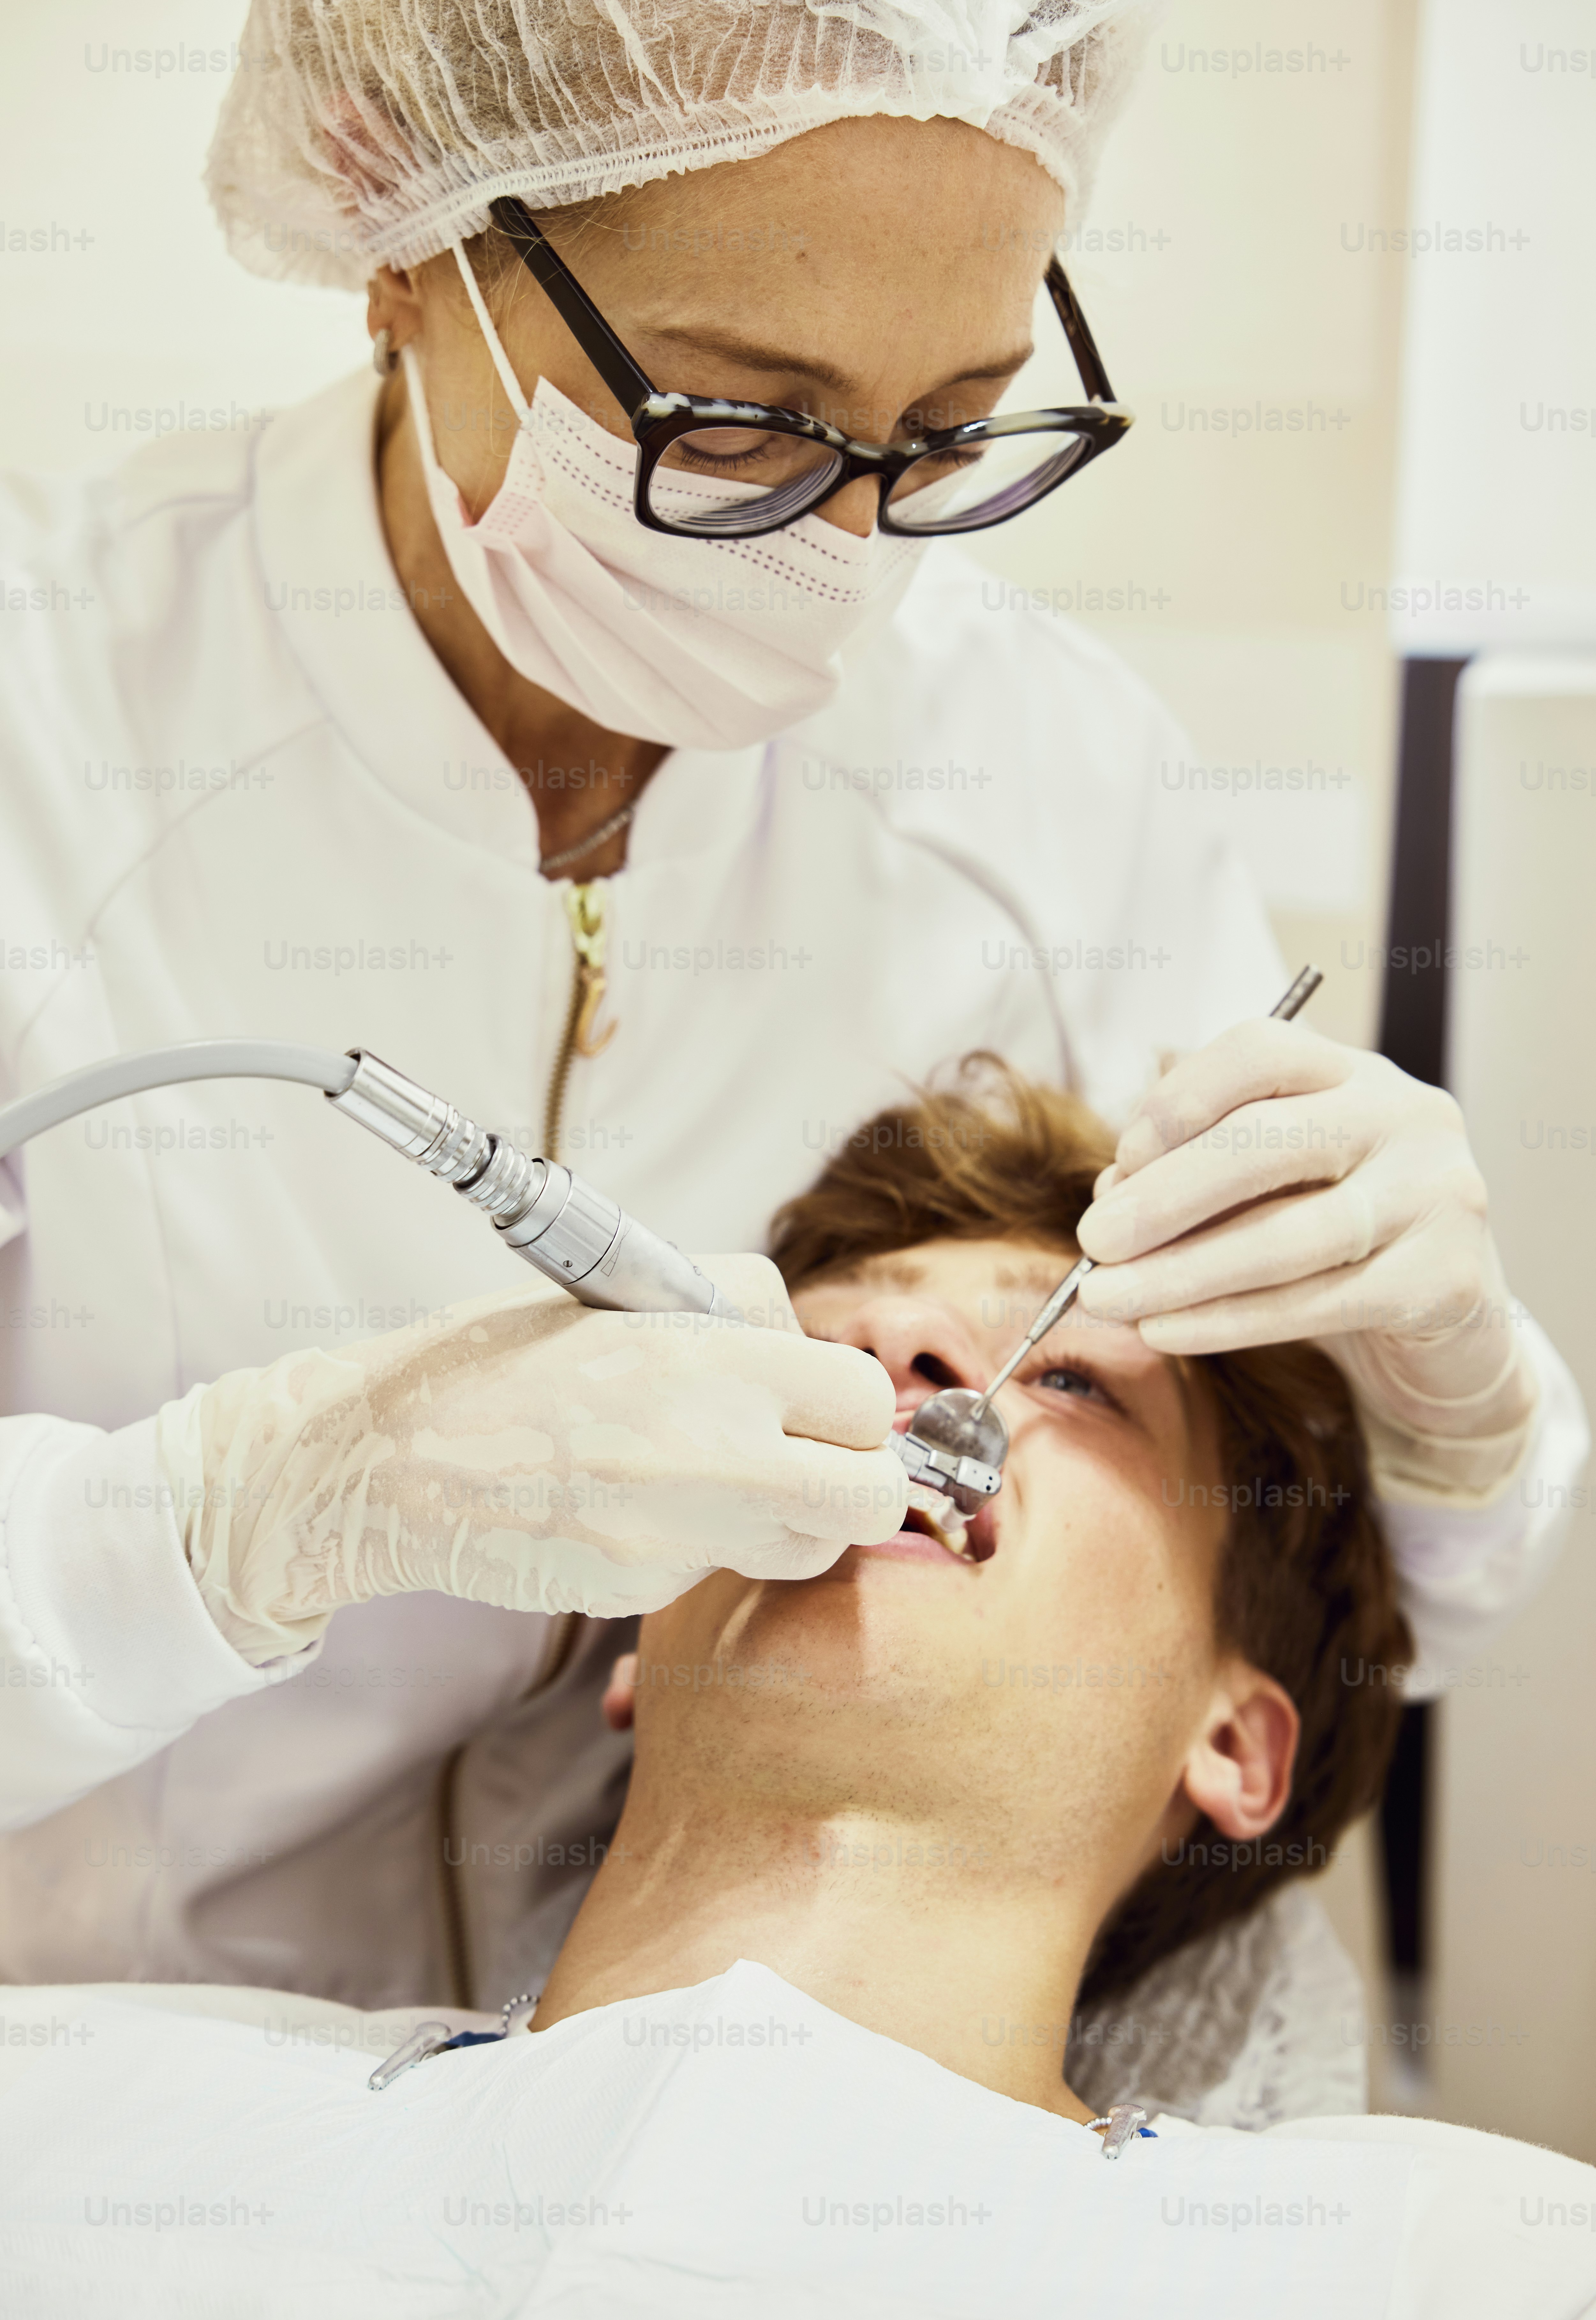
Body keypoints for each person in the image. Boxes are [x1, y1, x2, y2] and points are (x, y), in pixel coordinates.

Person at [0, 0, 1583, 2011]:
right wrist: (265, 1504)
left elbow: (1309, 1605)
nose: (840, 559)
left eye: (942, 436)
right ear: (404, 242)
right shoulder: (44, 732)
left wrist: (1450, 1402)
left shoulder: (1037, 784)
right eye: (728, 421)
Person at [3, 1073, 1592, 2320]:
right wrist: (236, 1507)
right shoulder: (73, 2109)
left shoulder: (1455, 2298)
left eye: (1090, 1392)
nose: (900, 1371)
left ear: (1240, 1750)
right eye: (819, 1357)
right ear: (630, 1641)